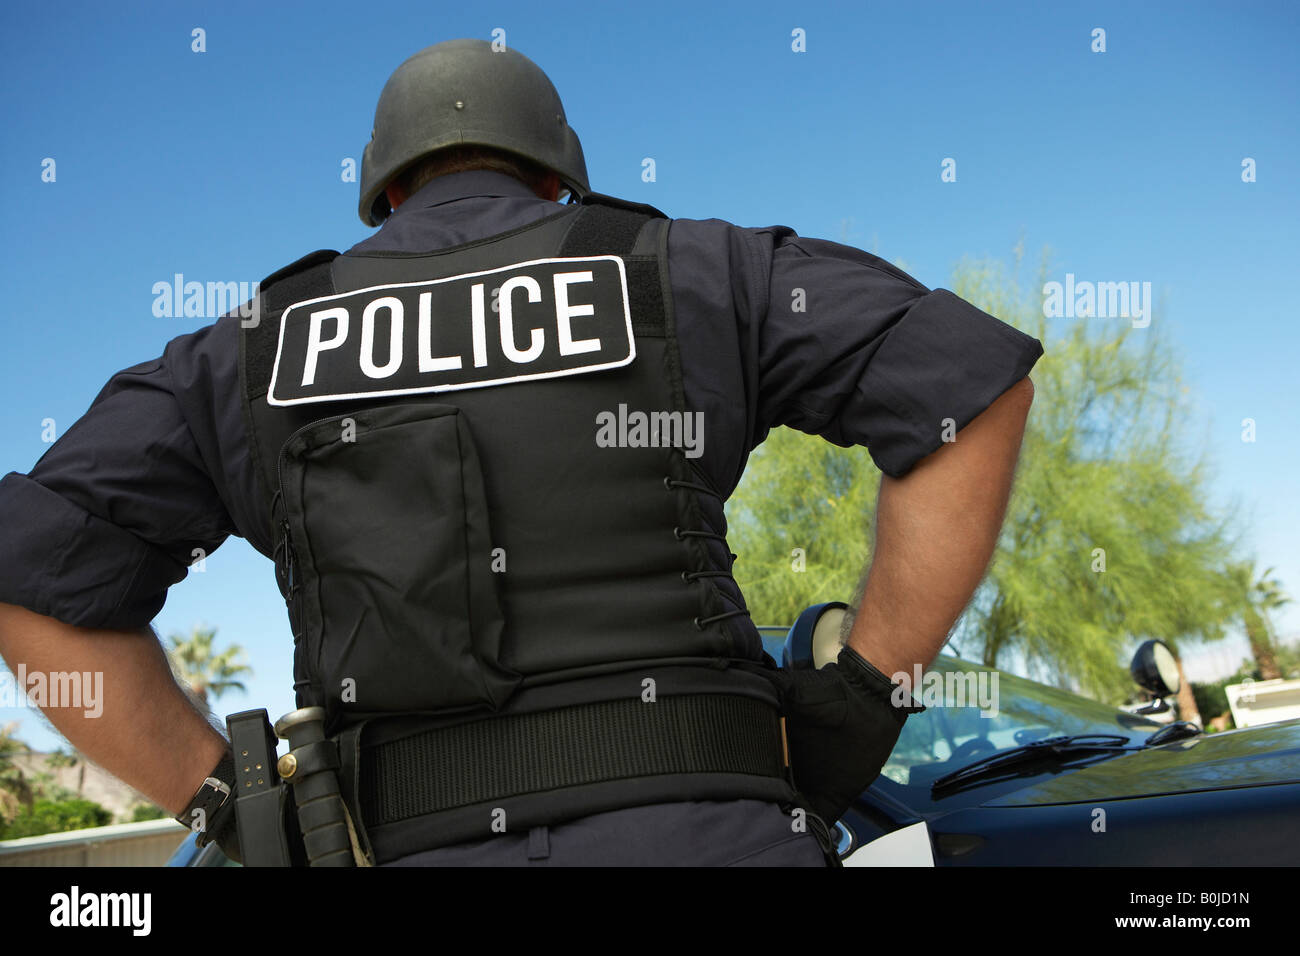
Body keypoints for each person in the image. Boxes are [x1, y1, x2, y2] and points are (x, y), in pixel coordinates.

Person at [0, 38, 1040, 866]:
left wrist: (232, 807)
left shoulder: (248, 348)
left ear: (384, 190)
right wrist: (865, 691)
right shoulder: (690, 270)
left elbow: (31, 578)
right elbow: (968, 384)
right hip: (715, 831)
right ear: (556, 174)